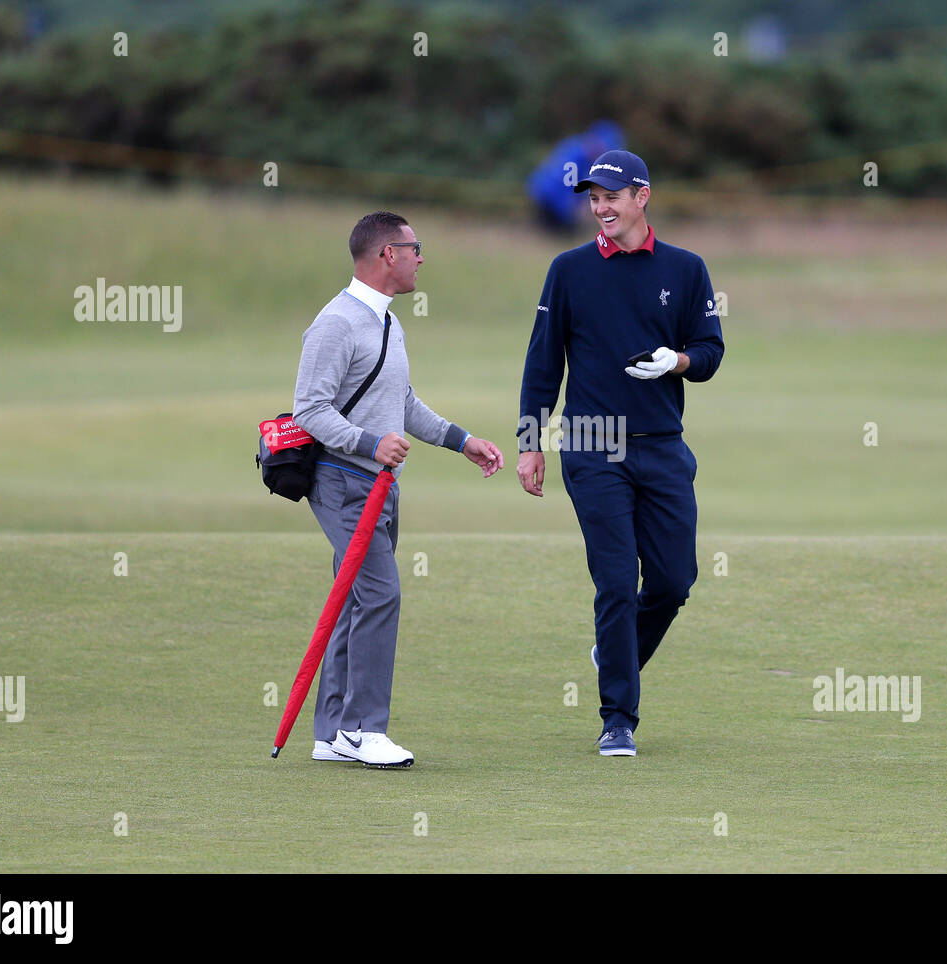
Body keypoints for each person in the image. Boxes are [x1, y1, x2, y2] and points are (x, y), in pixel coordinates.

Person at [516, 151, 724, 757]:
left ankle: (616, 647)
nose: (601, 208)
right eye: (593, 198)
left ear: (642, 196)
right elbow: (542, 363)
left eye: (611, 196)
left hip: (661, 445)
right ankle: (618, 719)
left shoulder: (686, 269)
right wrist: (532, 441)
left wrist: (678, 361)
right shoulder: (569, 270)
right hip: (591, 442)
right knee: (614, 581)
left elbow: (710, 350)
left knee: (672, 581)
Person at [293, 211, 504, 767]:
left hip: (378, 486)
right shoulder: (337, 323)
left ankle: (334, 732)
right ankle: (365, 729)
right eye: (415, 247)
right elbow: (310, 409)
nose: (420, 257)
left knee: (356, 598)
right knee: (381, 594)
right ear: (388, 254)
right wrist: (368, 443)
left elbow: (402, 404)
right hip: (342, 483)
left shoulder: (385, 322)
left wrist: (462, 441)